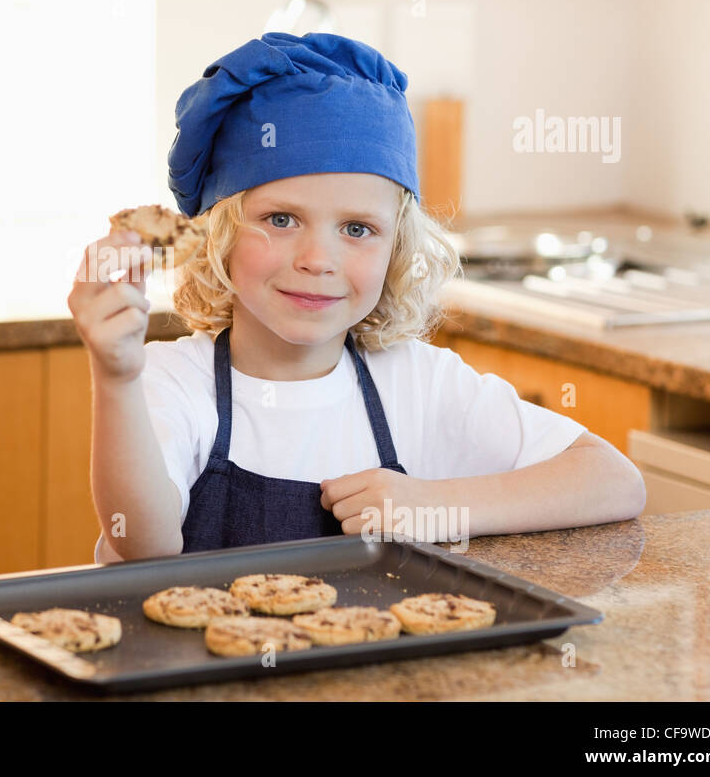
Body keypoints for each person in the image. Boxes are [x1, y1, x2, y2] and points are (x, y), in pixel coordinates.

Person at [68, 31, 645, 563]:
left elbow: (614, 480)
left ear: (396, 247)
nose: (318, 259)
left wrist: (434, 505)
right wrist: (115, 379)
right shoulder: (173, 382)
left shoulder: (419, 384)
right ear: (217, 234)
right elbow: (143, 548)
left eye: (357, 229)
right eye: (281, 219)